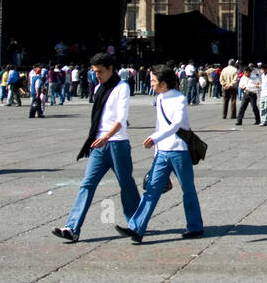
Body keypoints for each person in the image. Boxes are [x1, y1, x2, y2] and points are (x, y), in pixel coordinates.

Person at [53, 53, 140, 242]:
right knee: (87, 183)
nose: (97, 75)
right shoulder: (99, 88)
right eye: (94, 72)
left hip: (117, 144)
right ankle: (72, 228)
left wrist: (106, 137)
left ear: (110, 69)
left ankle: (137, 224)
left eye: (100, 71)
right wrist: (100, 139)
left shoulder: (122, 87)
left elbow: (121, 119)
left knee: (126, 184)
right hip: (99, 145)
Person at [116, 65, 204, 242]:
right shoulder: (160, 98)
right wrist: (157, 150)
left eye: (153, 81)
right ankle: (136, 228)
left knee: (188, 189)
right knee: (151, 189)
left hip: (179, 150)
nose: (151, 84)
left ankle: (195, 226)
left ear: (163, 83)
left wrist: (156, 138)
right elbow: (160, 125)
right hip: (163, 151)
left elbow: (176, 124)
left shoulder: (179, 98)